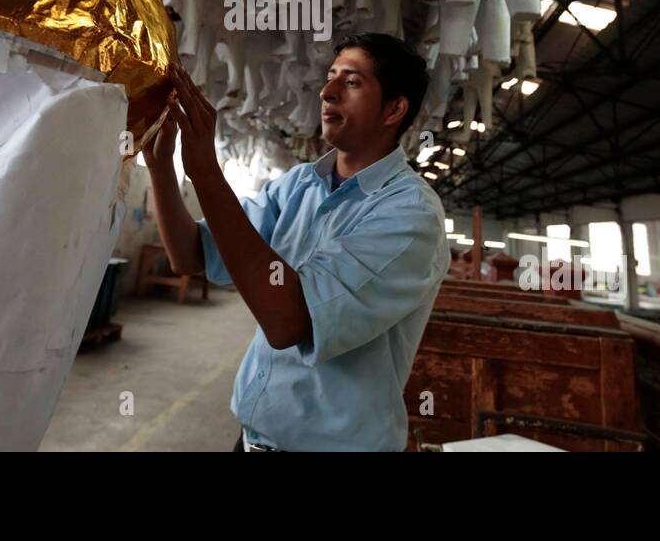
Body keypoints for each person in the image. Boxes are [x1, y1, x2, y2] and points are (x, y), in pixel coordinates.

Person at [144, 32, 449, 451]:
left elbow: (290, 322)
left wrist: (207, 173)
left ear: (394, 109)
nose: (327, 92)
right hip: (253, 442)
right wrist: (161, 166)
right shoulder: (298, 186)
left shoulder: (411, 215)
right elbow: (190, 255)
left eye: (352, 82)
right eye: (330, 77)